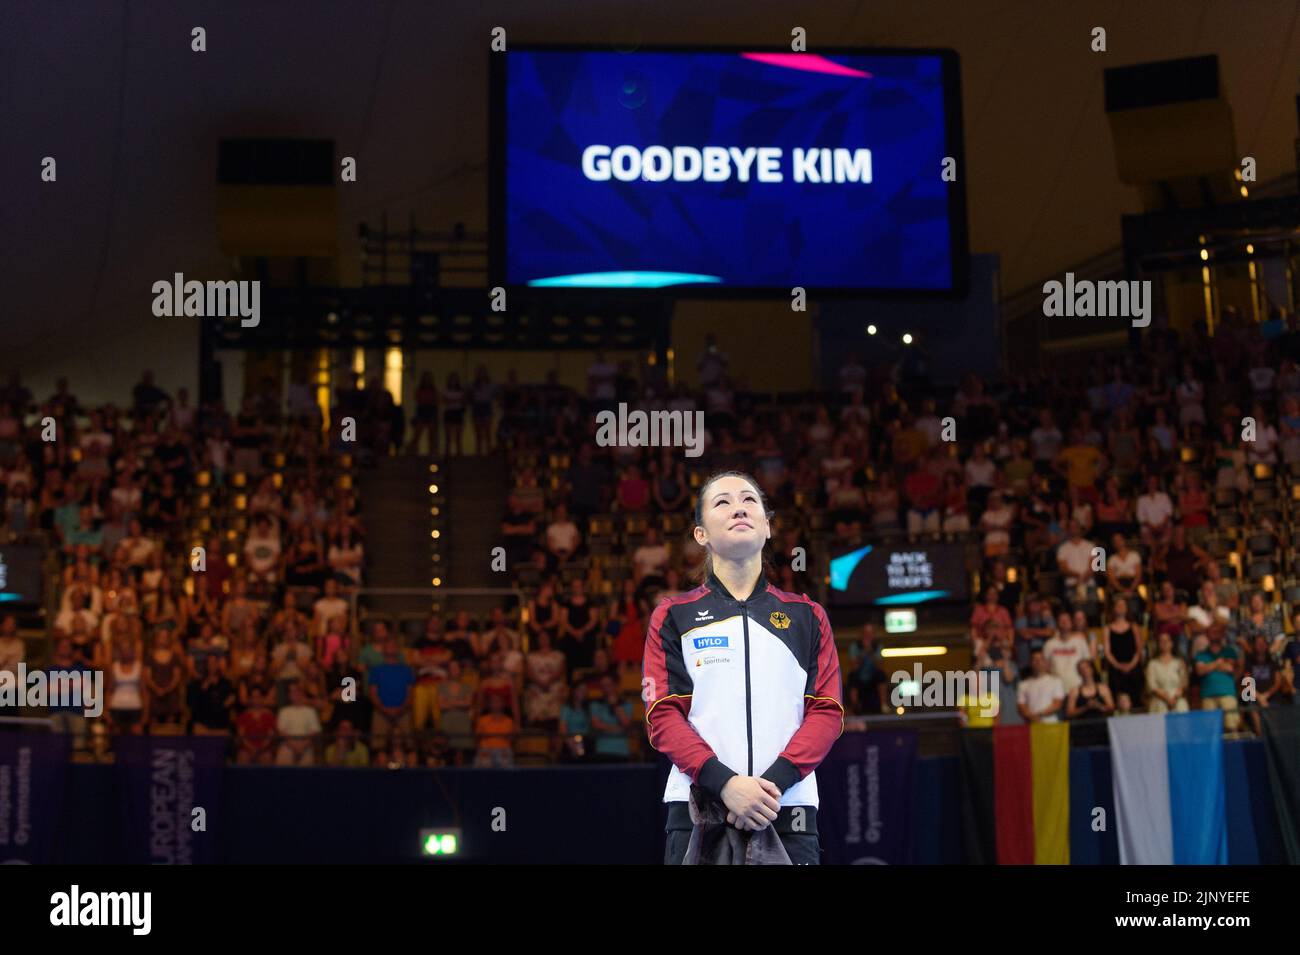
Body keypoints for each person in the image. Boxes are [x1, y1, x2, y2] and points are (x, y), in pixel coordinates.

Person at [644, 471, 843, 866]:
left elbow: (826, 712)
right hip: (697, 811)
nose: (738, 507)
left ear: (767, 527)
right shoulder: (672, 615)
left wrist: (770, 787)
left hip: (788, 810)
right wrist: (726, 784)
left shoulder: (807, 615)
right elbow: (663, 715)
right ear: (701, 534)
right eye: (722, 502)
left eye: (749, 500)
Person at [1195, 624, 1243, 733]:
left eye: (1218, 632)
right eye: (1212, 632)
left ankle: (1234, 749)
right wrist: (1218, 663)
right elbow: (1200, 671)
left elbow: (1231, 668)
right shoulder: (1201, 654)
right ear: (1207, 635)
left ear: (1223, 634)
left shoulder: (1230, 651)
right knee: (1210, 731)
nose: (1215, 635)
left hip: (1227, 693)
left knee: (1232, 728)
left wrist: (1209, 666)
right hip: (1208, 696)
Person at [1016, 648, 1066, 724]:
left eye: (1041, 659)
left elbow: (1057, 703)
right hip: (1030, 724)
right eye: (1034, 659)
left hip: (1051, 724)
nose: (1038, 662)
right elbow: (1021, 705)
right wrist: (1032, 717)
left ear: (1046, 662)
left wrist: (1039, 715)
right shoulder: (1023, 684)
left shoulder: (1056, 681)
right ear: (1030, 663)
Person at [1145, 630, 1189, 714]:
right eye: (1161, 641)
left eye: (1167, 640)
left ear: (1172, 643)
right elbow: (1151, 685)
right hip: (1159, 703)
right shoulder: (1152, 664)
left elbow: (1183, 683)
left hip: (1177, 702)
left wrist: (1175, 698)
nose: (1164, 643)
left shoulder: (1179, 662)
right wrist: (1167, 698)